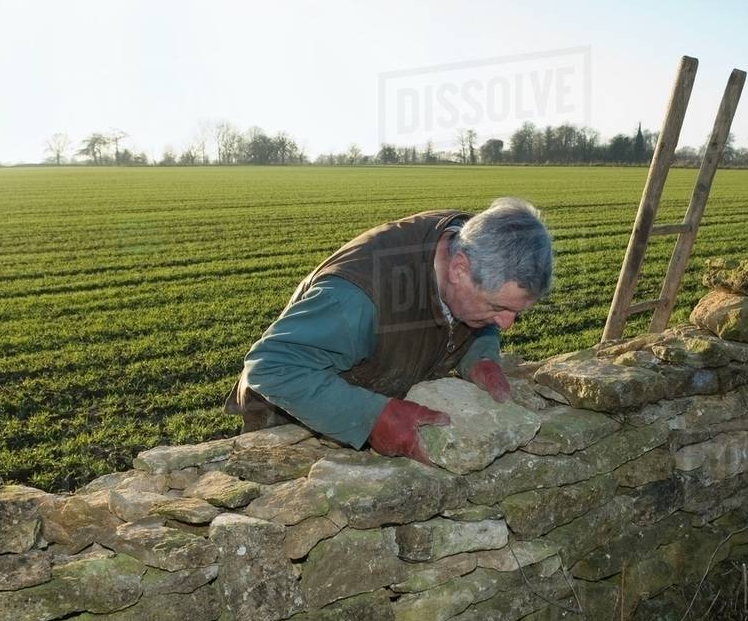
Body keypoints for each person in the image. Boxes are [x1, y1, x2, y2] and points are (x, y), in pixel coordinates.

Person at [224, 197, 553, 464]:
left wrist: (480, 355)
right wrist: (370, 418)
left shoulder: (472, 244)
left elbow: (469, 311)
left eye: (516, 312)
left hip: (372, 383)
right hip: (290, 414)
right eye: (498, 308)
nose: (507, 324)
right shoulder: (357, 299)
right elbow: (270, 365)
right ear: (459, 269)